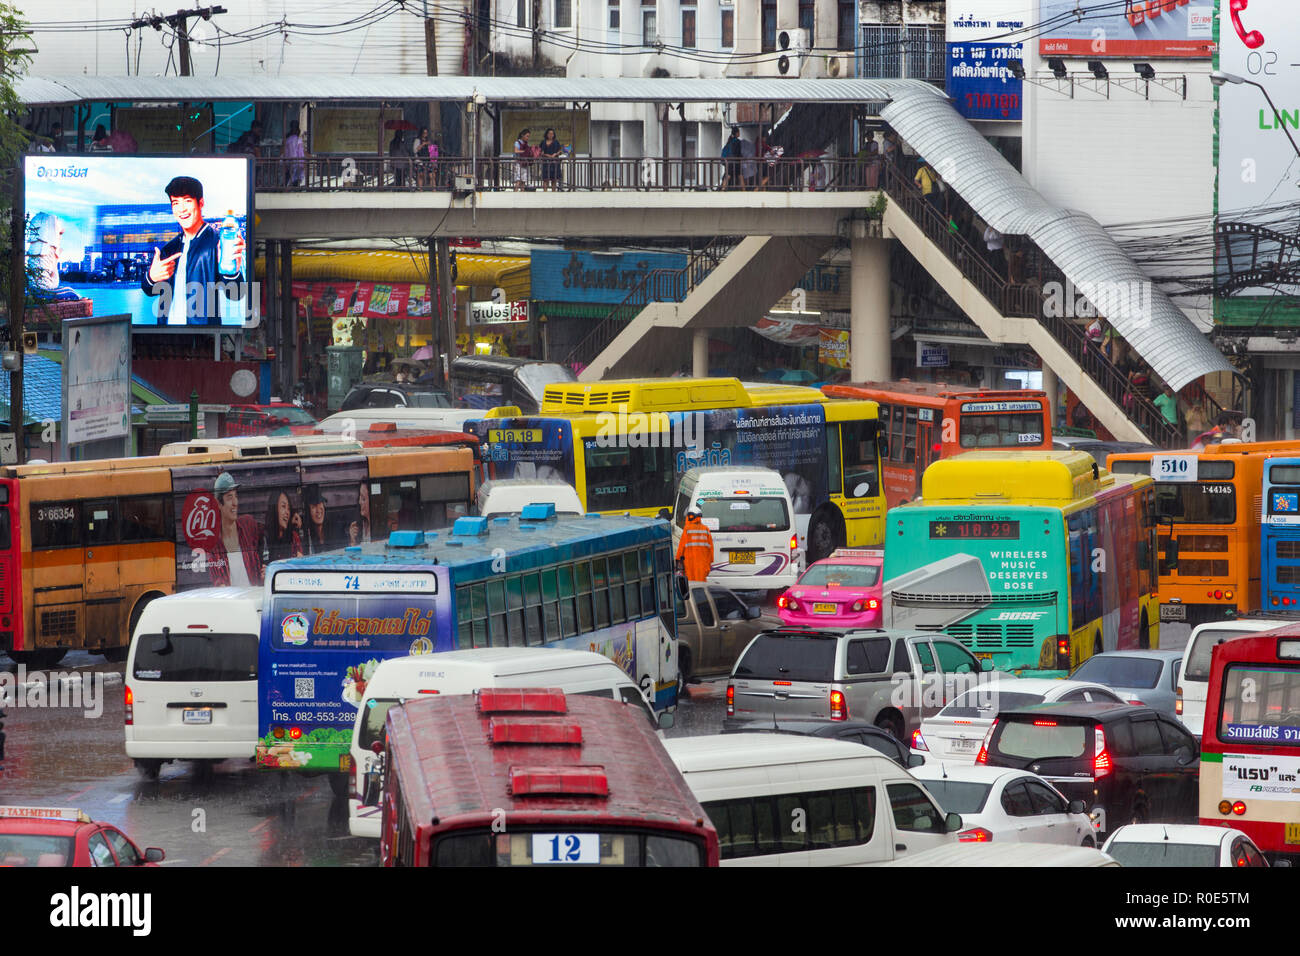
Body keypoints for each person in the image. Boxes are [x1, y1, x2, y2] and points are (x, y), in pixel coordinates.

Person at [141, 176, 245, 326]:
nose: (181, 209)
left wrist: (232, 271)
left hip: (203, 339)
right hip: (165, 337)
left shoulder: (217, 243)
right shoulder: (169, 248)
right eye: (176, 203)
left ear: (200, 203)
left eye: (187, 201)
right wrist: (151, 277)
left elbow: (236, 294)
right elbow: (148, 290)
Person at [207, 472, 264, 587]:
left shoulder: (248, 525)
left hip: (254, 598)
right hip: (234, 603)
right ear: (218, 504)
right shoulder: (213, 543)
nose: (235, 503)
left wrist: (265, 572)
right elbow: (218, 581)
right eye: (229, 497)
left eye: (236, 496)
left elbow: (270, 537)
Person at [675, 503, 715, 583]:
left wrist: (678, 560)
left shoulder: (687, 529)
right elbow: (711, 548)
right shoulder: (706, 529)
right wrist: (709, 562)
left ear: (690, 516)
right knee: (701, 585)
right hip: (703, 565)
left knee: (691, 586)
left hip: (690, 565)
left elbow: (681, 546)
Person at [265, 490, 304, 562]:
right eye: (283, 506)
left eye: (289, 509)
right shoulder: (264, 537)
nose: (287, 512)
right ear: (274, 509)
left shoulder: (293, 537)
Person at [303, 484, 328, 554]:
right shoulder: (307, 536)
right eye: (314, 507)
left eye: (320, 504)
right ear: (308, 511)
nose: (318, 510)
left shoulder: (333, 529)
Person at [282, 120, 307, 187]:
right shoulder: (298, 140)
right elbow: (300, 153)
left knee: (288, 177)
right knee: (295, 180)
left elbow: (284, 152)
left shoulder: (287, 139)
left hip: (288, 162)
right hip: (297, 162)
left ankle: (285, 188)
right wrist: (302, 163)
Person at [349, 482, 372, 546]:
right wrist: (352, 540)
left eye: (363, 499)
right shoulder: (359, 524)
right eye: (359, 498)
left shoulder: (380, 528)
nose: (359, 502)